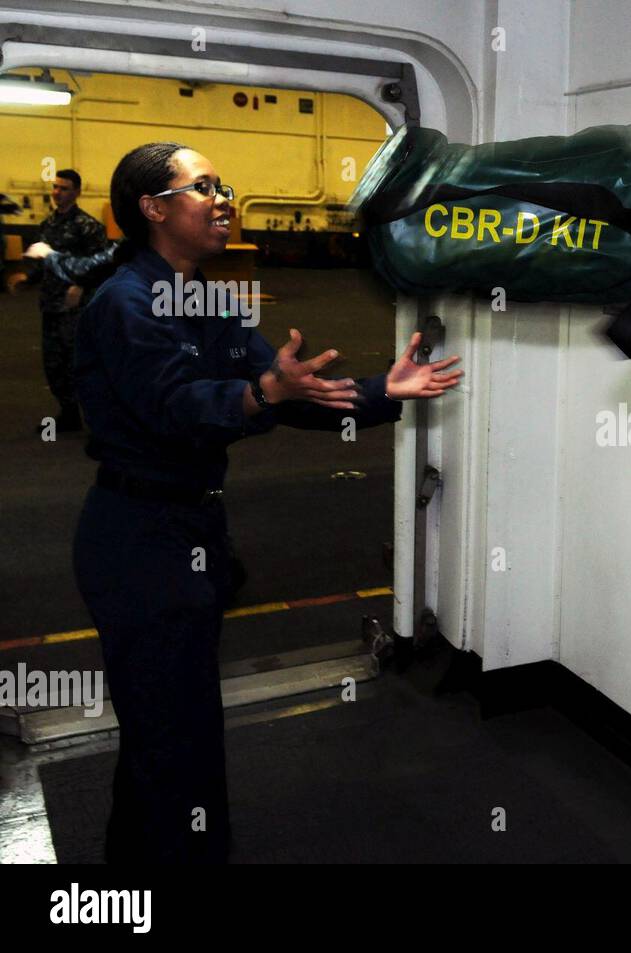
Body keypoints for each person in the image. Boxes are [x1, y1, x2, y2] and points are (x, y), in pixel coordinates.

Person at [72, 141, 463, 863]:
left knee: (170, 733)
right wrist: (260, 393)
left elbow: (293, 393)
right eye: (202, 187)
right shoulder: (124, 304)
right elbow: (174, 406)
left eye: (224, 184)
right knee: (174, 738)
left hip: (188, 524)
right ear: (153, 210)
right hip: (138, 536)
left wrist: (384, 390)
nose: (224, 197)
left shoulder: (203, 300)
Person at [9, 169, 109, 433]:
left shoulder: (88, 226)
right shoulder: (47, 225)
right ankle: (68, 414)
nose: (57, 192)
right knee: (54, 363)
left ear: (76, 192)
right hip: (51, 304)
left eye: (64, 188)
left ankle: (101, 420)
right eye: (55, 187)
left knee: (81, 362)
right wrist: (26, 277)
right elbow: (40, 261)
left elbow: (101, 265)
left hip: (77, 307)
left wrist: (80, 285)